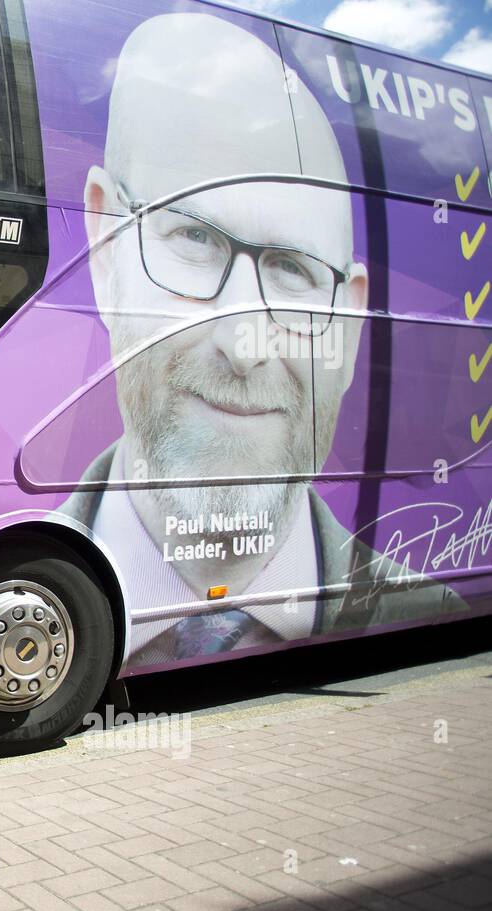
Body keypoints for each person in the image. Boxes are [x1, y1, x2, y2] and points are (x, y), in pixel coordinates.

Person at [58, 12, 462, 669]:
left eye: (293, 270)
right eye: (195, 238)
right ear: (105, 246)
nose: (245, 346)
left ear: (352, 321)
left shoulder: (431, 603)